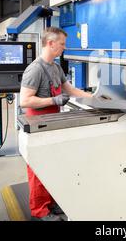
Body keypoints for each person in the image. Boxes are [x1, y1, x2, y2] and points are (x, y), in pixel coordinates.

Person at [20, 26, 92, 221]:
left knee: (53, 164)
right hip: (37, 123)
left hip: (53, 121)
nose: (64, 48)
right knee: (37, 168)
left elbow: (70, 89)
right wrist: (53, 100)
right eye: (62, 44)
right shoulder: (35, 69)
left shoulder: (56, 67)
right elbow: (25, 100)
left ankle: (51, 202)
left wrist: (94, 97)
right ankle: (39, 209)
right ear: (50, 44)